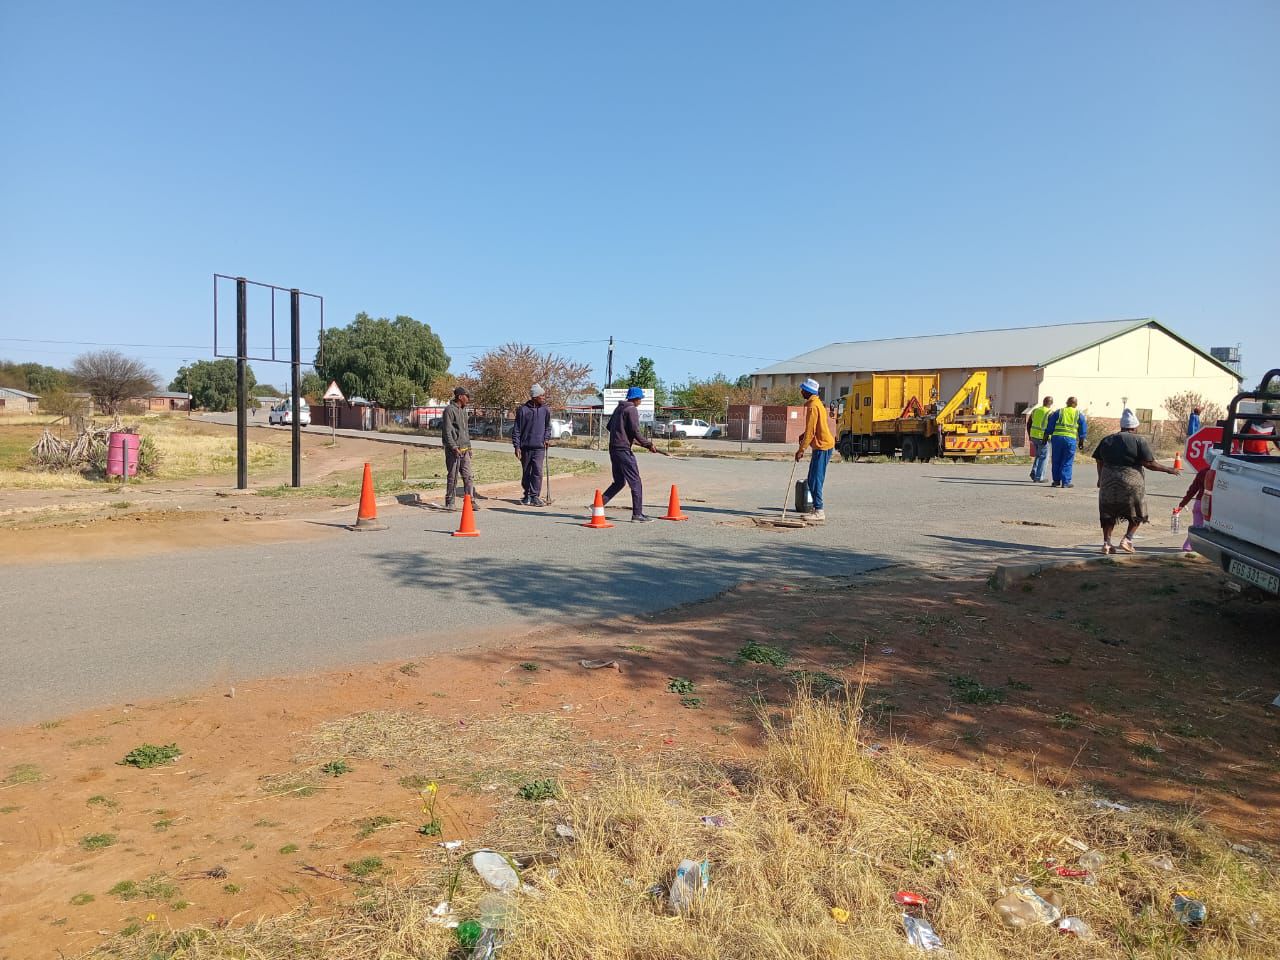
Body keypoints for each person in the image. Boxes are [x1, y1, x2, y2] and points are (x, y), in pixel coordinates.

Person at [1092, 408, 1180, 554]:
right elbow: (1149, 464)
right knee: (1138, 512)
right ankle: (1127, 539)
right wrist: (1169, 469)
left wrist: (1100, 478)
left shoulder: (1107, 439)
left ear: (1122, 426)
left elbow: (1099, 460)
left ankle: (1106, 544)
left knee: (1108, 512)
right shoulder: (1139, 440)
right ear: (1134, 426)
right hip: (1131, 481)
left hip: (1108, 481)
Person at [603, 386, 664, 521]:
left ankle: (597, 505)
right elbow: (635, 431)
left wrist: (623, 435)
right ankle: (637, 514)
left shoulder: (619, 408)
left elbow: (609, 427)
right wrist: (648, 444)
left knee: (619, 482)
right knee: (635, 482)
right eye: (640, 399)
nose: (640, 401)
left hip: (613, 448)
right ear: (636, 399)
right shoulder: (632, 410)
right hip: (623, 450)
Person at [795, 377, 835, 522]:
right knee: (812, 479)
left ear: (808, 391)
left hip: (822, 446)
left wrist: (801, 450)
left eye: (802, 390)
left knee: (815, 480)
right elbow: (813, 429)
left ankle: (819, 510)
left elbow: (811, 431)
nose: (801, 392)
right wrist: (803, 435)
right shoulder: (817, 403)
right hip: (821, 445)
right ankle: (815, 509)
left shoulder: (813, 406)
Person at [512, 384, 552, 506]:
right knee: (526, 472)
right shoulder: (523, 410)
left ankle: (535, 496)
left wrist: (546, 438)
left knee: (537, 471)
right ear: (535, 397)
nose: (543, 398)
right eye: (541, 395)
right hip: (525, 447)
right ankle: (527, 495)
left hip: (539, 447)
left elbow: (548, 426)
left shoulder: (545, 410)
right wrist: (517, 446)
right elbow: (517, 429)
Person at [441, 386, 477, 510]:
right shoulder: (449, 410)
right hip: (453, 450)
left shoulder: (463, 411)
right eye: (467, 396)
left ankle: (470, 500)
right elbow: (447, 431)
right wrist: (453, 446)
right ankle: (450, 501)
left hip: (465, 449)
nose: (469, 399)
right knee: (453, 476)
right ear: (460, 396)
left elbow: (465, 431)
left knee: (468, 476)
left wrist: (469, 446)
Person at [1045, 396, 1086, 488]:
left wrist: (1046, 435)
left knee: (1056, 459)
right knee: (1067, 460)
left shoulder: (1059, 412)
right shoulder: (1078, 414)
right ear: (1076, 404)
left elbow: (1050, 425)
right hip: (1070, 440)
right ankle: (1065, 482)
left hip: (1057, 438)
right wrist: (1081, 442)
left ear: (1067, 403)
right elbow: (1082, 429)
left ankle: (1056, 481)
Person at [1176, 468, 1208, 553]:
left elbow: (1193, 489)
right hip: (1210, 504)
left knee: (1197, 526)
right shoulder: (1220, 473)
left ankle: (1188, 546)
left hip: (1199, 502)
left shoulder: (1203, 471)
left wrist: (1182, 504)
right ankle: (1191, 546)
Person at [1025, 395, 1054, 483]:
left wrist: (1030, 435)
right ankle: (1039, 477)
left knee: (1038, 456)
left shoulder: (1035, 410)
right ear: (1051, 403)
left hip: (1034, 437)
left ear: (1043, 402)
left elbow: (1029, 423)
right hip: (1043, 438)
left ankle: (1034, 472)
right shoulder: (1050, 413)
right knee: (1043, 457)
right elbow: (1051, 427)